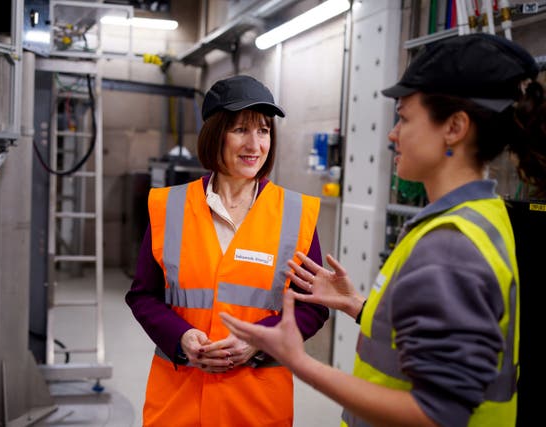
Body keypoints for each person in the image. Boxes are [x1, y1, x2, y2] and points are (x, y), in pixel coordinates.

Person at [221, 33, 546, 427]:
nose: (393, 134)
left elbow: (436, 413)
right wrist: (356, 304)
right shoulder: (483, 214)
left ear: (455, 128)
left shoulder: (451, 245)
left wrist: (298, 362)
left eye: (405, 118)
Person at [126, 74, 330, 427]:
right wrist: (181, 337)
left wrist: (259, 342)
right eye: (240, 130)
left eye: (263, 131)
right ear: (214, 135)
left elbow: (313, 308)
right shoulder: (170, 207)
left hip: (256, 404)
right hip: (178, 402)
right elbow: (143, 296)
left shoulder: (296, 214)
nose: (254, 144)